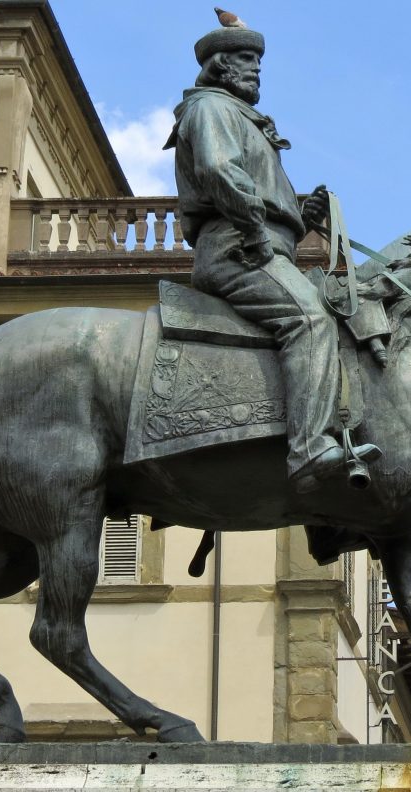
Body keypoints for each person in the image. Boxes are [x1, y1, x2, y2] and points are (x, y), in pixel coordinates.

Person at [164, 17, 380, 493]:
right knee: (311, 321)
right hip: (237, 247)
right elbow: (220, 172)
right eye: (246, 61)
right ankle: (309, 450)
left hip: (257, 240)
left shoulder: (242, 118)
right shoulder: (210, 109)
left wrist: (302, 212)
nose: (256, 70)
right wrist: (254, 226)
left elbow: (257, 190)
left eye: (259, 62)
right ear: (220, 66)